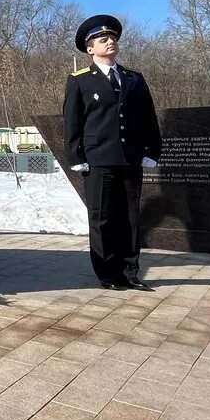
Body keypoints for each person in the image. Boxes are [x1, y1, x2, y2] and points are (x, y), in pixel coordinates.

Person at [63, 15, 162, 291]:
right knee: (102, 216)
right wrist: (76, 156)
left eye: (113, 38)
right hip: (98, 159)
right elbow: (72, 121)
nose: (110, 42)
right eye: (103, 39)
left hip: (130, 157)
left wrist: (152, 150)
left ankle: (130, 271)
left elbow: (148, 117)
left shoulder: (133, 79)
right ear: (90, 48)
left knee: (130, 216)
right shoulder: (80, 80)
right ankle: (108, 273)